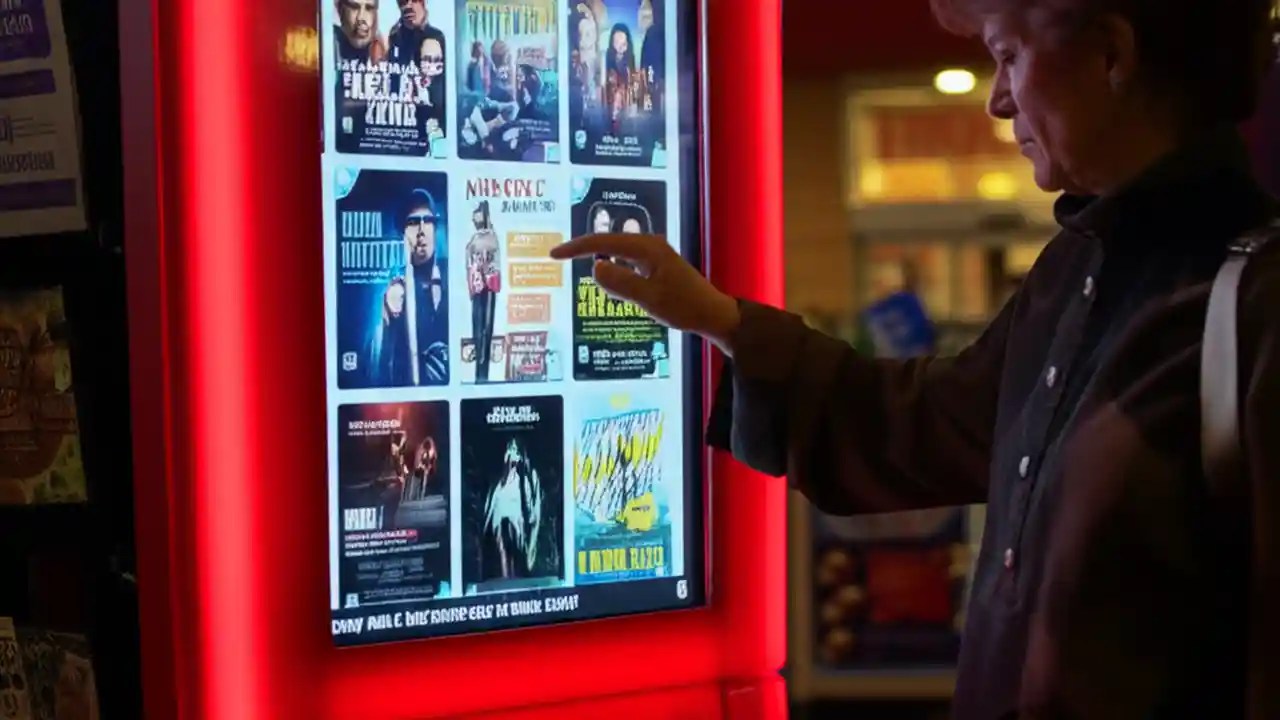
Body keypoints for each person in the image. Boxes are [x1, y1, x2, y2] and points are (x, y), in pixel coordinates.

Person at [551, 0, 1280, 717]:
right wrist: (721, 321)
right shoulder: (1074, 270)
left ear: (1110, 54)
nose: (998, 99)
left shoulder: (1254, 303)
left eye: (1009, 55)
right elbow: (925, 423)